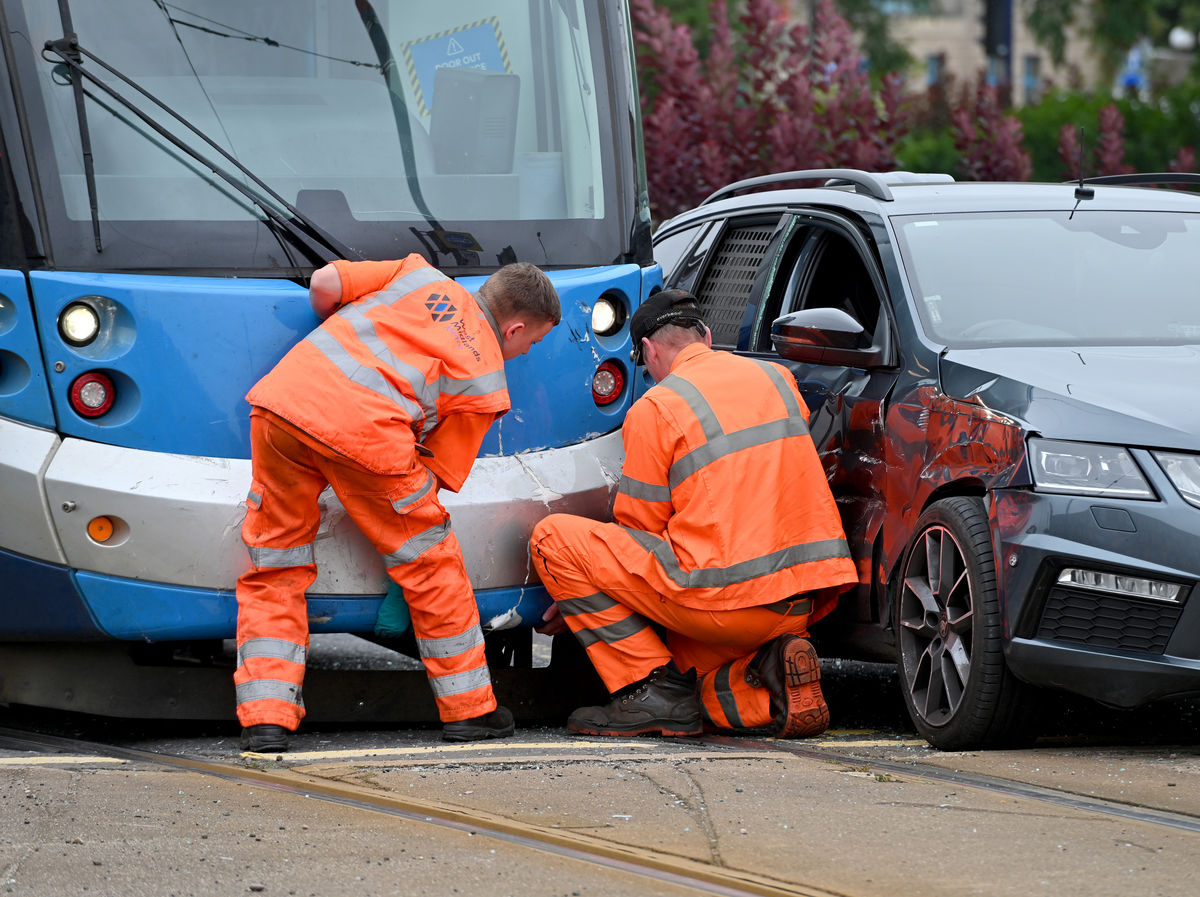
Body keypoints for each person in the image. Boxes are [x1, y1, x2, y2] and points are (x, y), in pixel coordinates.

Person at [235, 254, 560, 752]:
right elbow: (434, 478)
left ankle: (265, 719)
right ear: (514, 329)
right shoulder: (486, 379)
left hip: (282, 406)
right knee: (433, 566)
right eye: (532, 342)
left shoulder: (417, 273)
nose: (525, 352)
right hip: (368, 439)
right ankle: (471, 710)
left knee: (275, 564)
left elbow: (323, 283)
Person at [529, 289, 857, 738]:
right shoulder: (778, 379)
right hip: (797, 601)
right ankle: (769, 675)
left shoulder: (658, 407)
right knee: (697, 688)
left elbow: (638, 530)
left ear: (648, 349)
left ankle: (649, 689)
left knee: (553, 539)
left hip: (722, 602)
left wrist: (581, 594)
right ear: (705, 335)